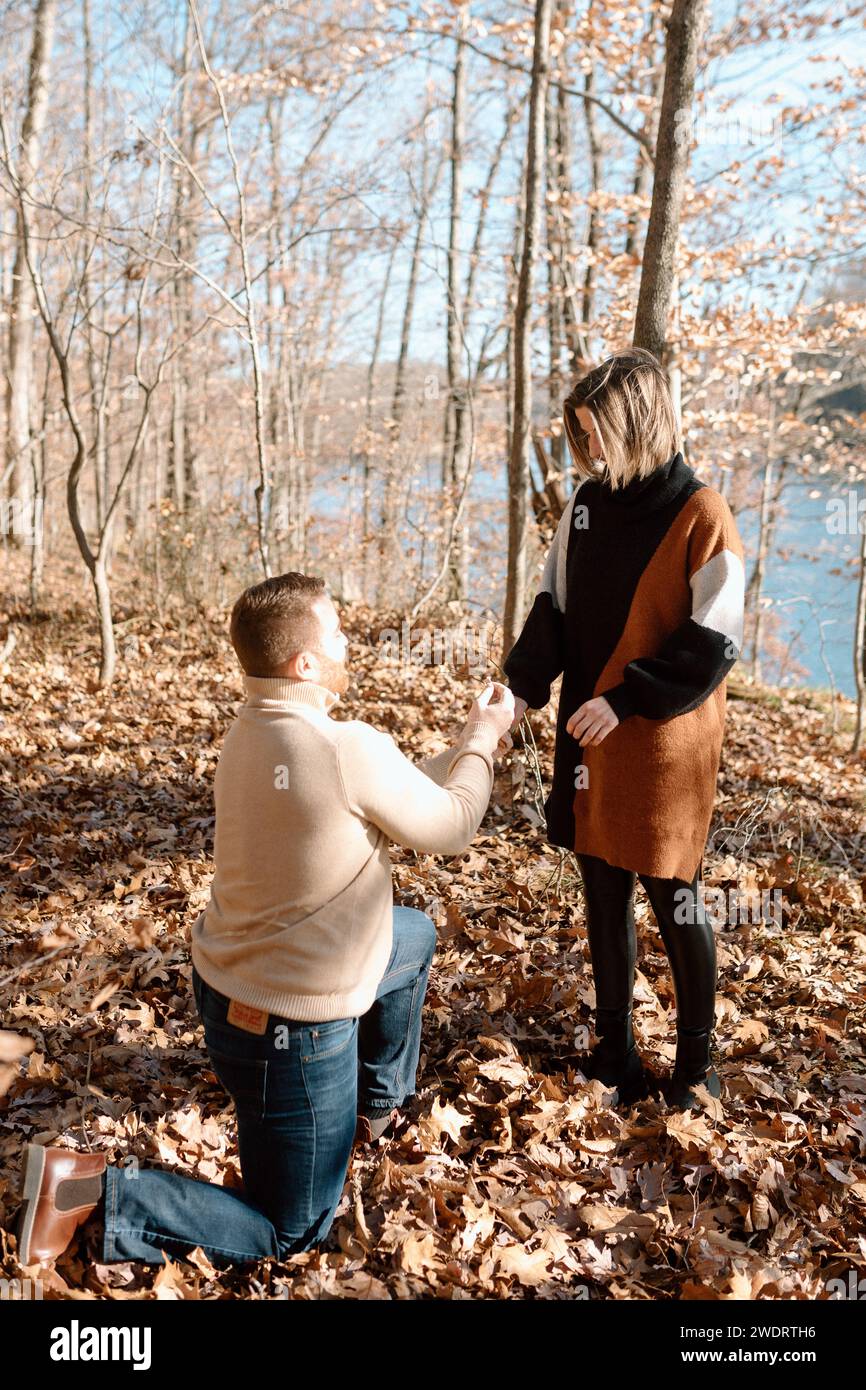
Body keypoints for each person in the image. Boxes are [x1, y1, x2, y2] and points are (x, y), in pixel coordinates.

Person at [17, 574, 514, 1268]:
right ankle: (95, 1191)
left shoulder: (249, 732)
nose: (349, 639)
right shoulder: (345, 748)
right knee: (292, 1232)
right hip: (293, 1031)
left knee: (415, 935)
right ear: (304, 664)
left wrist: (462, 739)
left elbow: (391, 789)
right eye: (335, 630)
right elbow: (454, 824)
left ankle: (375, 1106)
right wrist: (485, 743)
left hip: (229, 993)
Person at [504, 348, 745, 1110]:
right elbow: (554, 608)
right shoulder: (585, 504)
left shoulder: (702, 513)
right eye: (580, 435)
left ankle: (697, 1069)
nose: (590, 449)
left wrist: (627, 701)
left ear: (637, 420)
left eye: (597, 432)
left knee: (677, 903)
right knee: (602, 897)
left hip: (665, 743)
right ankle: (617, 1056)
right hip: (587, 733)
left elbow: (712, 642)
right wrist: (517, 690)